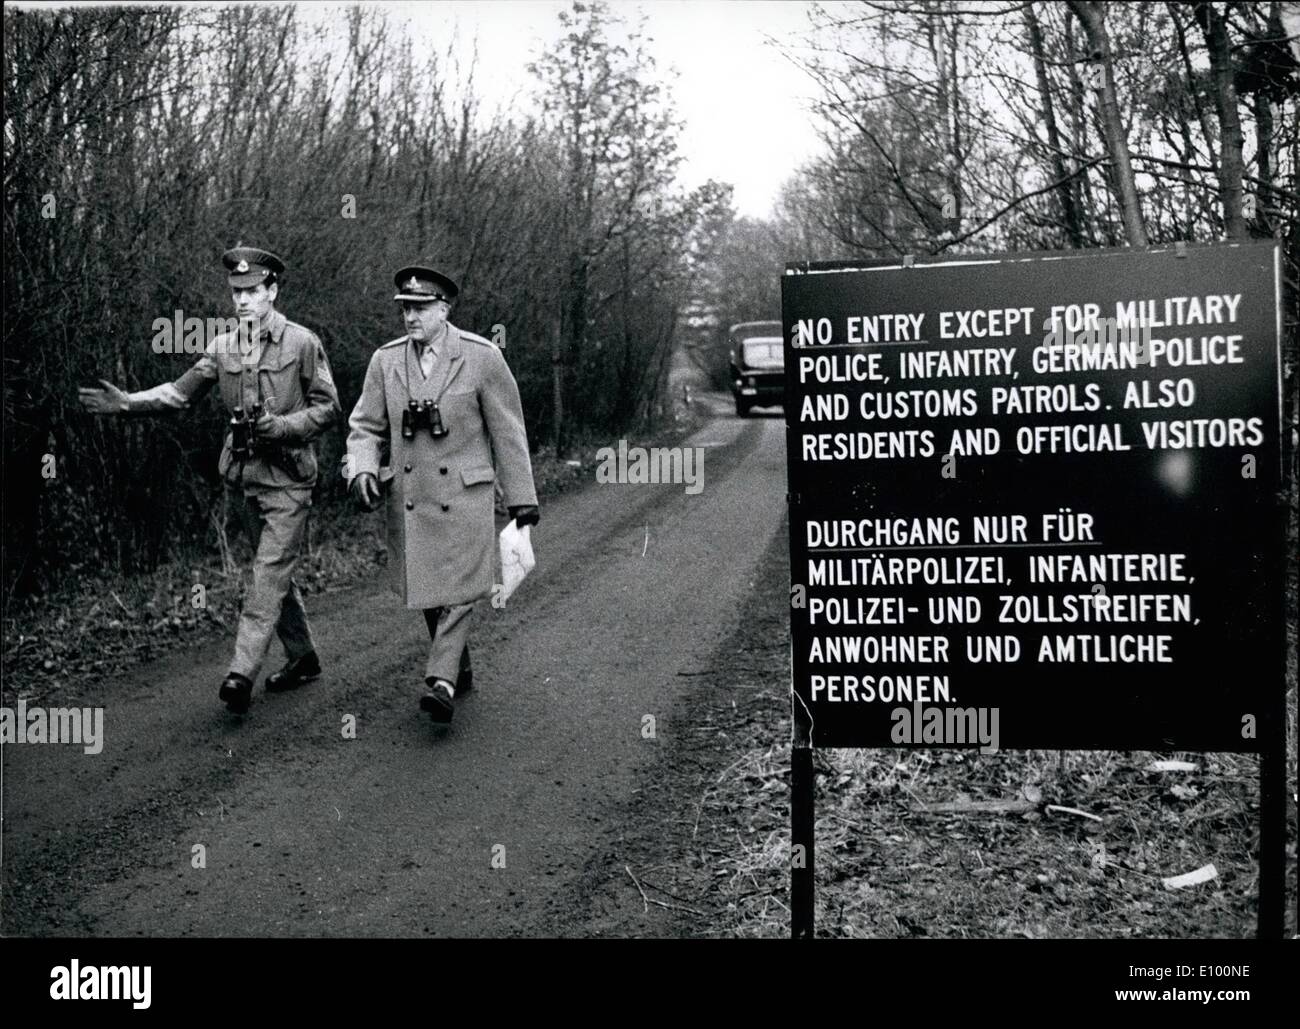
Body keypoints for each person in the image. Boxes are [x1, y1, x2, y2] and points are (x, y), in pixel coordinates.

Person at [78, 247, 341, 714]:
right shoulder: (222, 347)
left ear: (272, 292)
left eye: (252, 291)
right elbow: (178, 395)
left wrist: (282, 426)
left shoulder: (302, 343)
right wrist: (126, 403)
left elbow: (328, 407)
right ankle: (302, 657)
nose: (242, 300)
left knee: (266, 576)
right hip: (243, 479)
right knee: (273, 572)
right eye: (236, 292)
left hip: (289, 480)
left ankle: (240, 673)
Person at [344, 265, 538, 724]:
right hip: (413, 494)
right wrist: (363, 468)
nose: (411, 317)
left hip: (466, 492)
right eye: (405, 309)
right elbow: (363, 426)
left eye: (421, 308)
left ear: (444, 309)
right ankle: (459, 664)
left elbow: (508, 431)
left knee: (464, 587)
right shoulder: (385, 361)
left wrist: (521, 499)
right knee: (430, 589)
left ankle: (441, 680)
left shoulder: (481, 356)